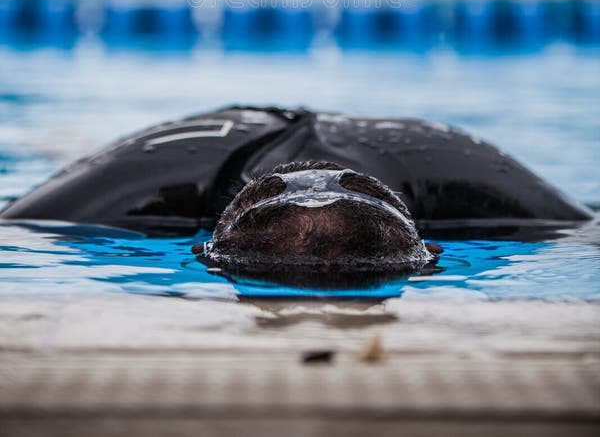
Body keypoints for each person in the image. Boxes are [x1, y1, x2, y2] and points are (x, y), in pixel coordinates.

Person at [1, 105, 591, 280]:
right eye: (347, 189)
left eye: (286, 193)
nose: (317, 185)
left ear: (202, 249)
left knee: (61, 144)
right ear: (432, 249)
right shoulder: (477, 185)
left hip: (192, 151)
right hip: (413, 150)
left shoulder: (122, 189)